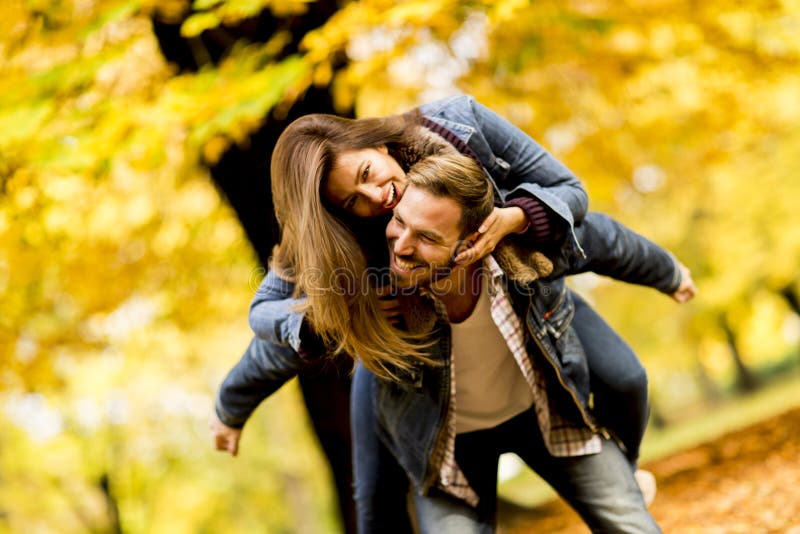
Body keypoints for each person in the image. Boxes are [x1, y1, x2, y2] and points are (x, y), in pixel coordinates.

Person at [353, 152, 681, 532]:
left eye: (427, 237)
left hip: (544, 416)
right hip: (450, 446)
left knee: (633, 524)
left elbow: (604, 239)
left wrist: (671, 274)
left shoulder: (524, 259)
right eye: (400, 222)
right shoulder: (375, 289)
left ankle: (627, 474)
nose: (402, 246)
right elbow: (279, 320)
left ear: (472, 242)